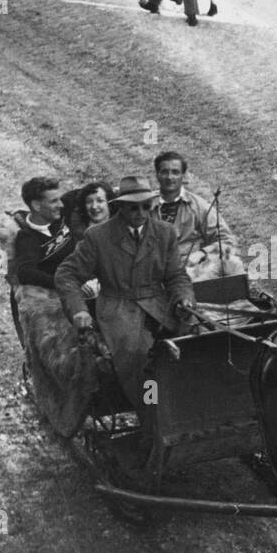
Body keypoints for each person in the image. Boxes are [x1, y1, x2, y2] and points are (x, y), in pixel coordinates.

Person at [55, 174, 196, 409]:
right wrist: (78, 310)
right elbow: (66, 275)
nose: (140, 213)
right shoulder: (98, 237)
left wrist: (185, 298)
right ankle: (153, 418)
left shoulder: (164, 232)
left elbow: (176, 276)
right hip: (118, 309)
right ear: (120, 206)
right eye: (133, 208)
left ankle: (187, 407)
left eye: (145, 206)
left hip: (159, 305)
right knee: (138, 359)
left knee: (195, 341)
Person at [152, 150, 238, 268]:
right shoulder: (144, 205)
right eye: (164, 172)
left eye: (175, 172)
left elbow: (227, 241)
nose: (169, 177)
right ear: (157, 175)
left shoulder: (199, 207)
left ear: (183, 175)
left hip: (189, 270)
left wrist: (201, 253)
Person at [14, 176, 75, 288]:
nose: (61, 205)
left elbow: (91, 191)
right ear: (37, 206)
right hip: (68, 290)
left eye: (59, 199)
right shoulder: (28, 238)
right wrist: (62, 283)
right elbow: (25, 272)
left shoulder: (61, 211)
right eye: (54, 201)